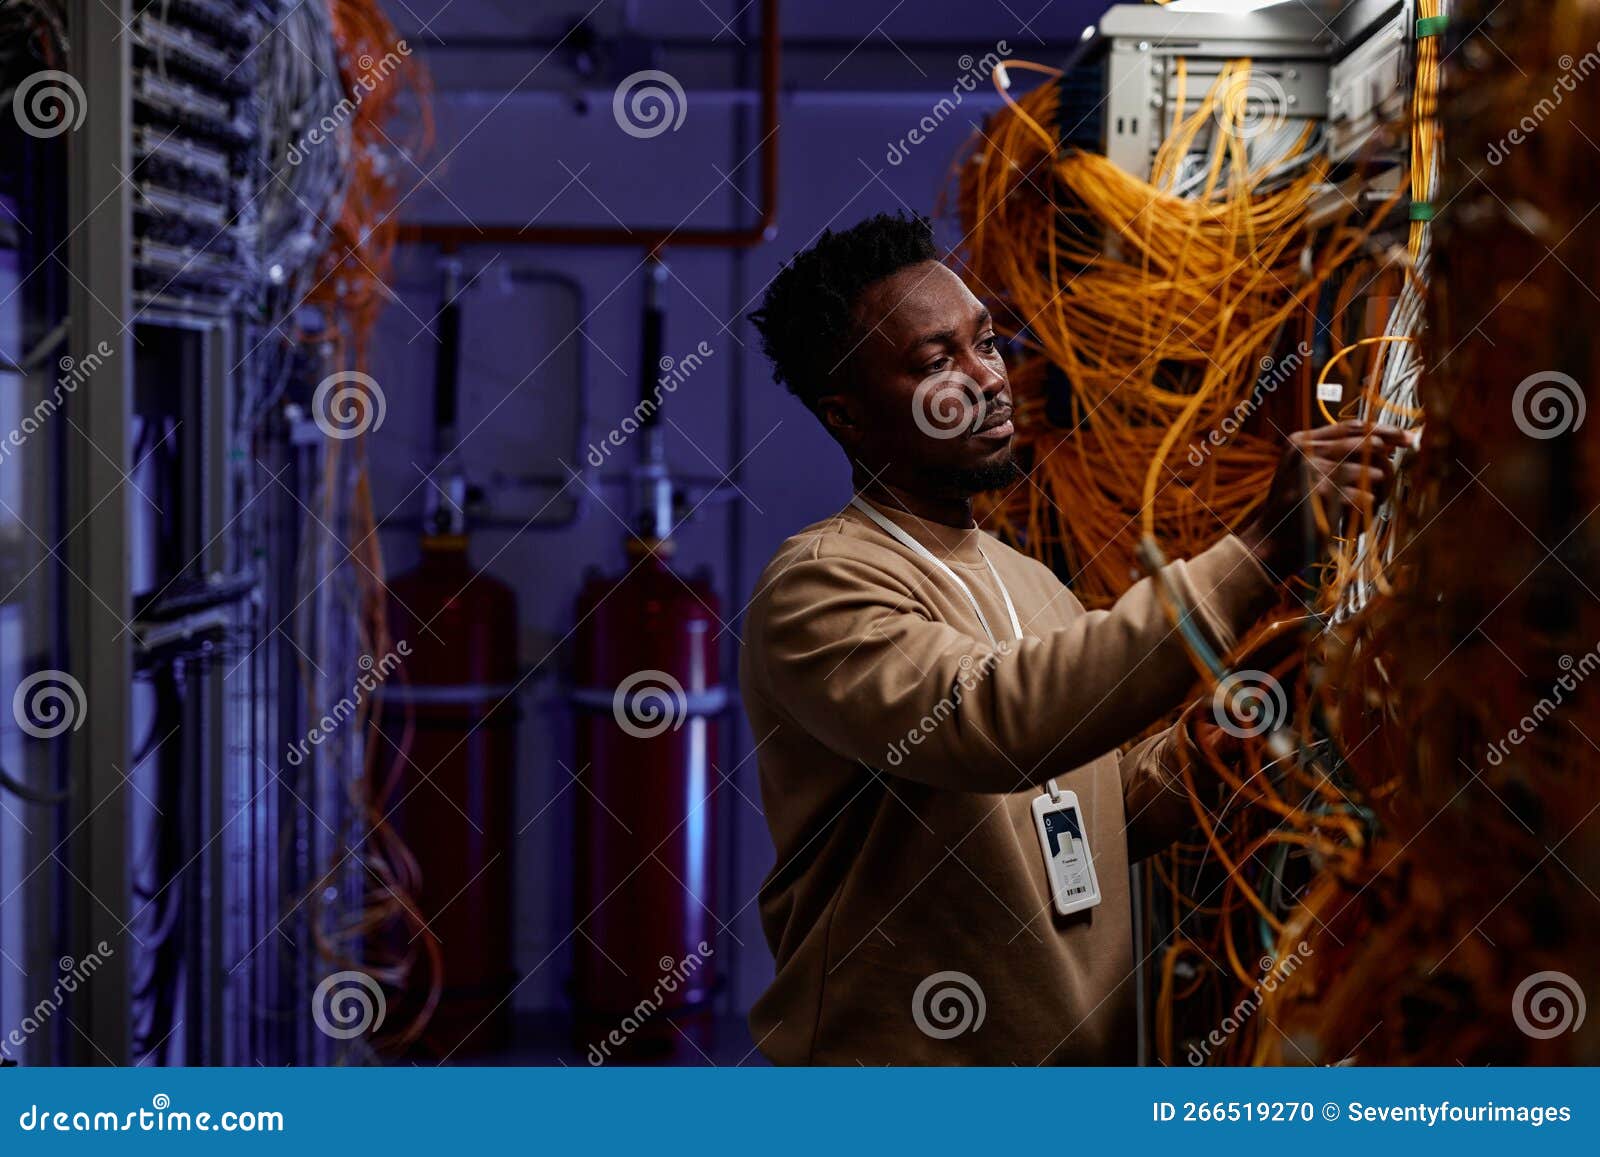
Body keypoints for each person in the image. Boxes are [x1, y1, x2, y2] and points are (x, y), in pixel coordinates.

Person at [740, 212, 1406, 1065]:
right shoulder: (819, 586)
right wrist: (1261, 548)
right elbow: (992, 724)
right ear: (849, 417)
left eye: (984, 341)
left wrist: (1223, 748)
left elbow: (1090, 804)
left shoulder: (1031, 583)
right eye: (936, 362)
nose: (987, 377)